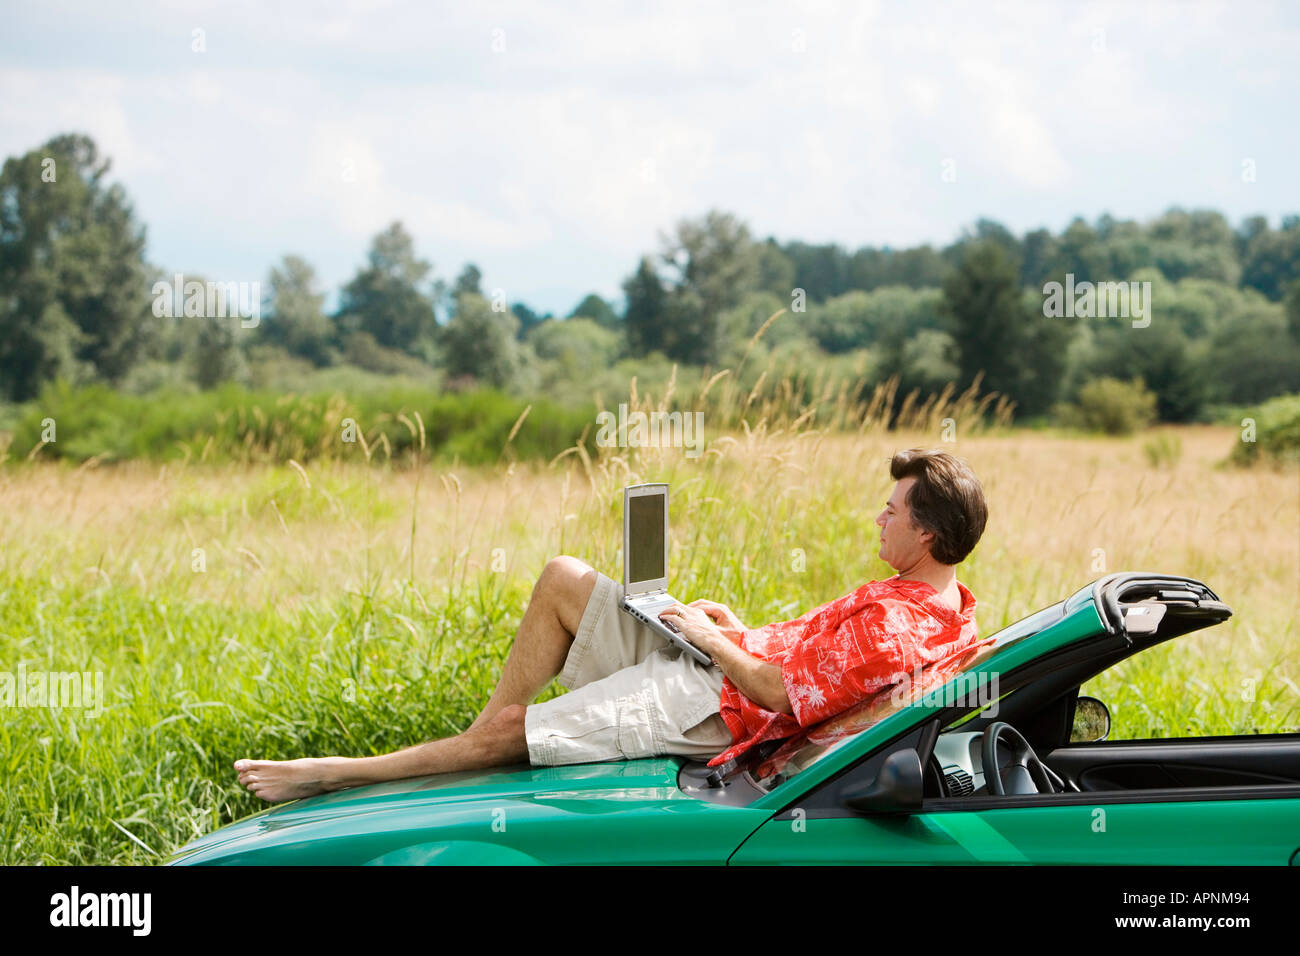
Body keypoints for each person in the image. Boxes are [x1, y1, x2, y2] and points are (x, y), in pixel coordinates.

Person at [234, 447, 988, 802]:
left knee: (513, 734)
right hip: (727, 663)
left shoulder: (900, 626)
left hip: (717, 706)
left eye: (892, 510)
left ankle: (335, 775)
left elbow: (784, 698)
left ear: (926, 534)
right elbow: (814, 669)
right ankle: (471, 745)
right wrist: (736, 629)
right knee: (565, 577)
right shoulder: (944, 605)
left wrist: (714, 642)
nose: (878, 518)